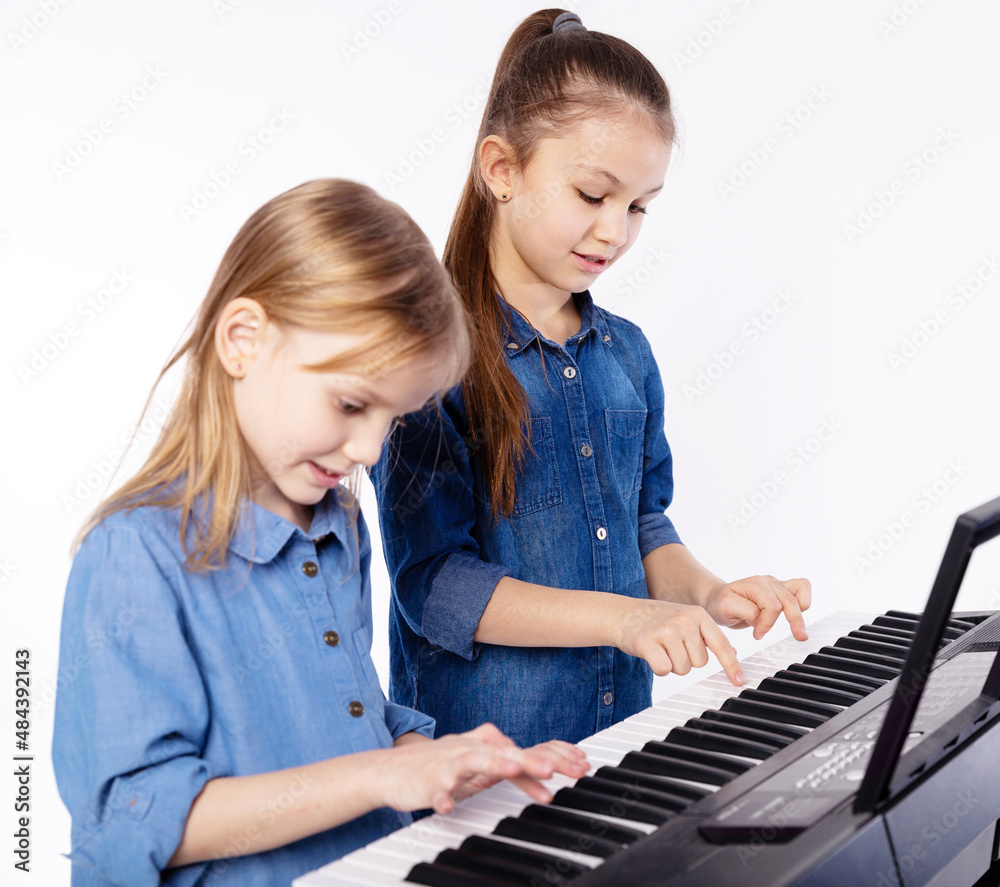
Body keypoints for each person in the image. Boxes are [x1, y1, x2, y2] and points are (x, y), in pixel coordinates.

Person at [51, 179, 588, 887]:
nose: (368, 450)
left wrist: (443, 762)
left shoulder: (338, 525)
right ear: (243, 341)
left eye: (392, 418)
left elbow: (345, 717)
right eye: (351, 403)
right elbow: (129, 822)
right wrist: (382, 774)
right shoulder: (133, 555)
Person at [370, 10, 813, 749]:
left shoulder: (627, 355)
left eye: (638, 206)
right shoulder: (430, 362)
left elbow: (642, 527)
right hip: (483, 765)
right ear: (501, 169)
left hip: (615, 749)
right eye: (592, 195)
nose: (616, 231)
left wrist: (710, 593)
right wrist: (623, 618)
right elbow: (436, 586)